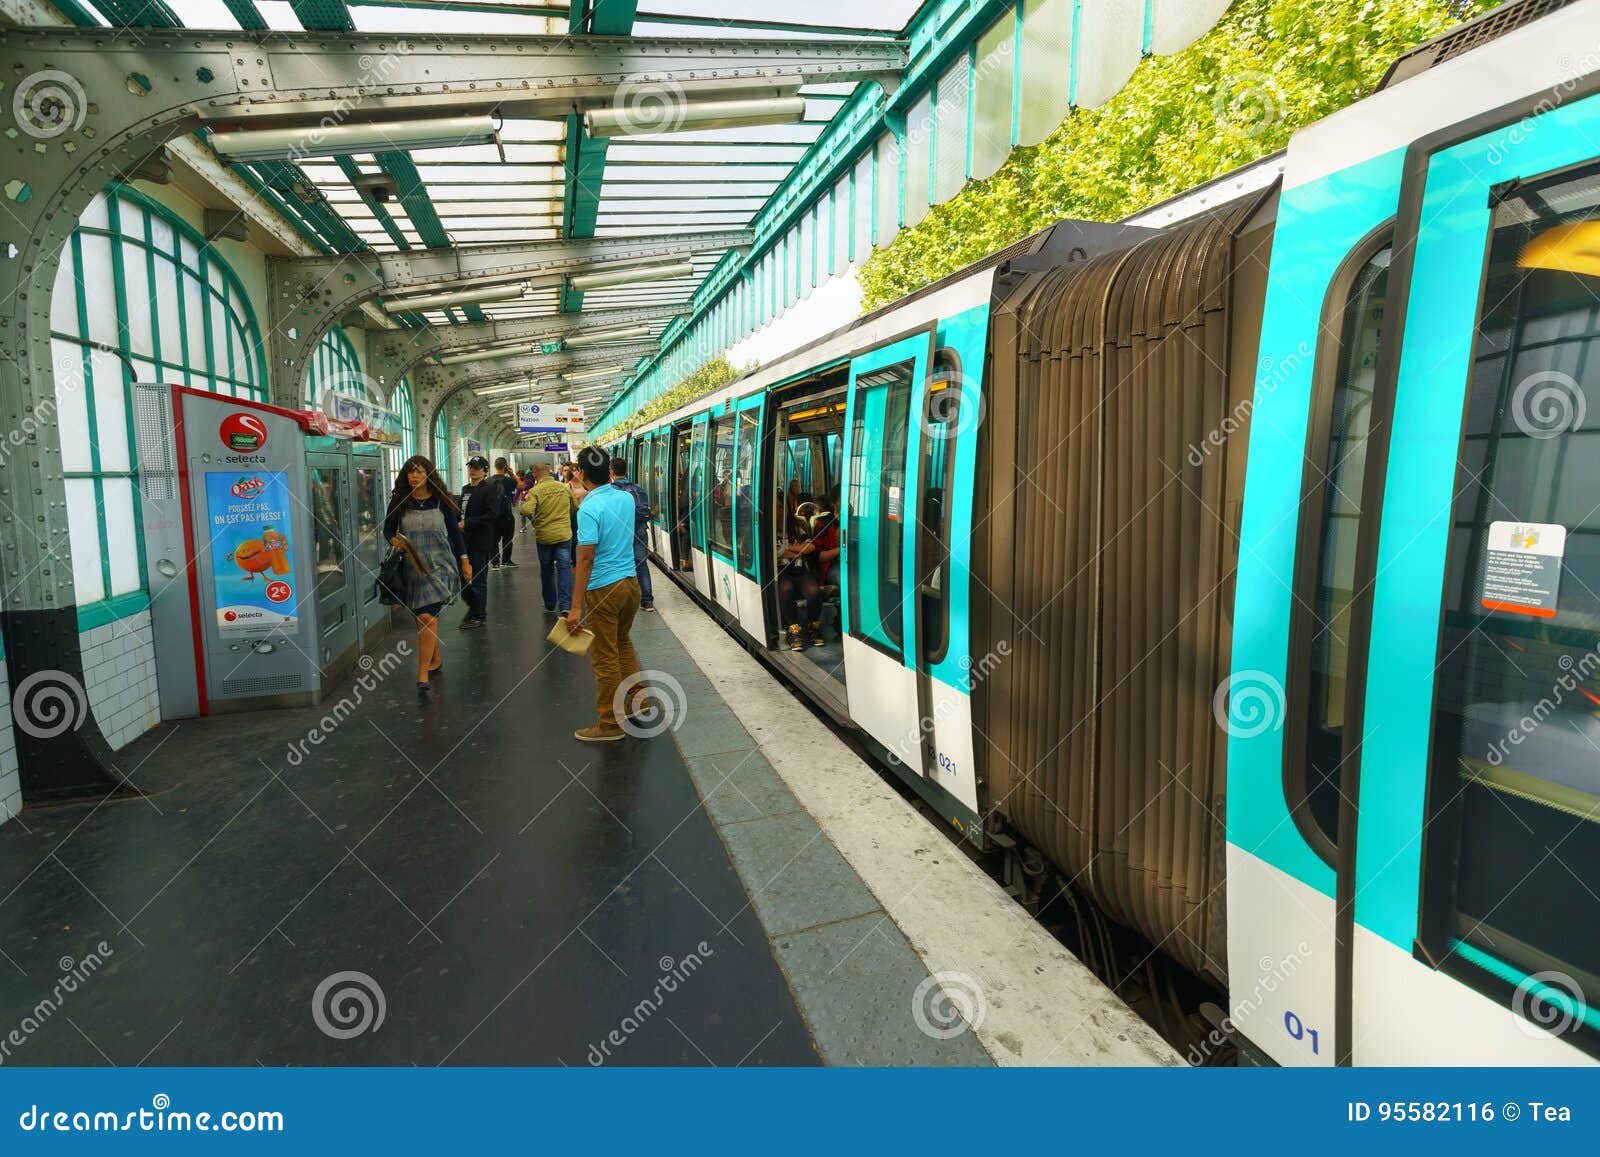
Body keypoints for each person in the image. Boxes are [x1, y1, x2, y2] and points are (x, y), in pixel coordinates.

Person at [566, 446, 643, 742]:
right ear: (609, 470)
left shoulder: (588, 508)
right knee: (623, 643)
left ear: (582, 473)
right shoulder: (625, 497)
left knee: (605, 656)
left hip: (604, 589)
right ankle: (638, 702)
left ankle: (610, 723)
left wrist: (574, 607)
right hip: (630, 585)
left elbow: (585, 558)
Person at [383, 455, 471, 692]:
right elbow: (387, 529)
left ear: (429, 474)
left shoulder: (442, 501)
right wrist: (394, 540)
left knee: (426, 618)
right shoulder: (400, 501)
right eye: (411, 472)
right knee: (422, 618)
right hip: (412, 566)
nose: (415, 476)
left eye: (420, 471)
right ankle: (436, 659)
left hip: (440, 565)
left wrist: (465, 562)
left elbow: (455, 534)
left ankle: (422, 674)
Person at [527, 462, 577, 614]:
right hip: (563, 535)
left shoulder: (535, 491)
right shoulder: (564, 487)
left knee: (547, 569)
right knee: (564, 569)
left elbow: (526, 509)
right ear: (549, 472)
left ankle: (550, 603)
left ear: (535, 474)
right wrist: (564, 518)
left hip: (544, 536)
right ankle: (566, 605)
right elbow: (575, 507)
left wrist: (536, 520)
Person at [456, 455, 499, 629]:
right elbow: (461, 511)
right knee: (462, 578)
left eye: (476, 467)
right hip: (464, 540)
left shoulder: (489, 489)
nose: (472, 469)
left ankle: (479, 615)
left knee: (479, 578)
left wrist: (468, 523)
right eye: (471, 466)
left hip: (480, 540)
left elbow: (491, 515)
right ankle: (474, 608)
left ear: (484, 471)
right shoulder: (466, 489)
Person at [609, 456, 654, 612]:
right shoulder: (638, 488)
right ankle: (647, 601)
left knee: (619, 564)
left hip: (622, 531)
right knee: (641, 564)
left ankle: (624, 600)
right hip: (640, 529)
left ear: (612, 471)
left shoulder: (612, 490)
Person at [776, 511, 825, 649]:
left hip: (800, 571)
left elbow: (810, 547)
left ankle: (813, 625)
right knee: (786, 589)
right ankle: (793, 629)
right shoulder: (770, 529)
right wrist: (796, 552)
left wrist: (788, 548)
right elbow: (775, 552)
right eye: (777, 508)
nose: (779, 512)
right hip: (781, 571)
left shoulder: (796, 528)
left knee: (814, 591)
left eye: (781, 508)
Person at [491, 457, 519, 568]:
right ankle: (506, 560)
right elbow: (521, 485)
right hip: (506, 515)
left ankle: (495, 563)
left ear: (495, 466)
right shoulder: (509, 480)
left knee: (493, 540)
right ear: (505, 467)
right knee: (507, 540)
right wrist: (512, 474)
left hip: (492, 515)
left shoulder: (488, 480)